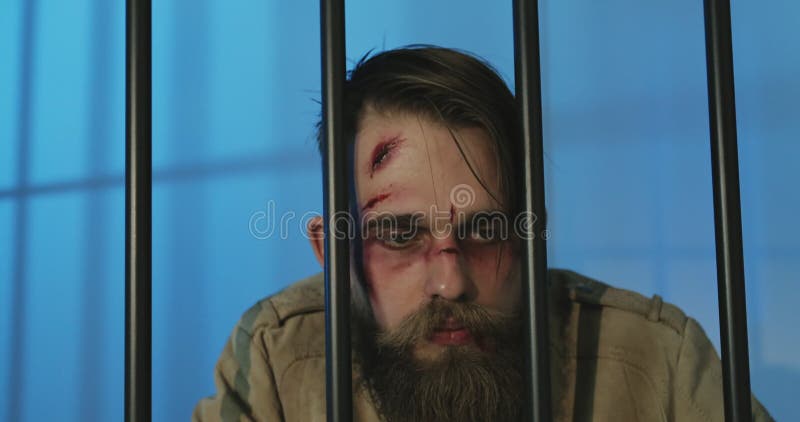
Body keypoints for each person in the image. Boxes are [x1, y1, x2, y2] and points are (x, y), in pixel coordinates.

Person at [193, 46, 773, 421]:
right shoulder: (276, 359)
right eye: (398, 234)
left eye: (486, 230)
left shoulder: (659, 362)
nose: (450, 283)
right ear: (331, 253)